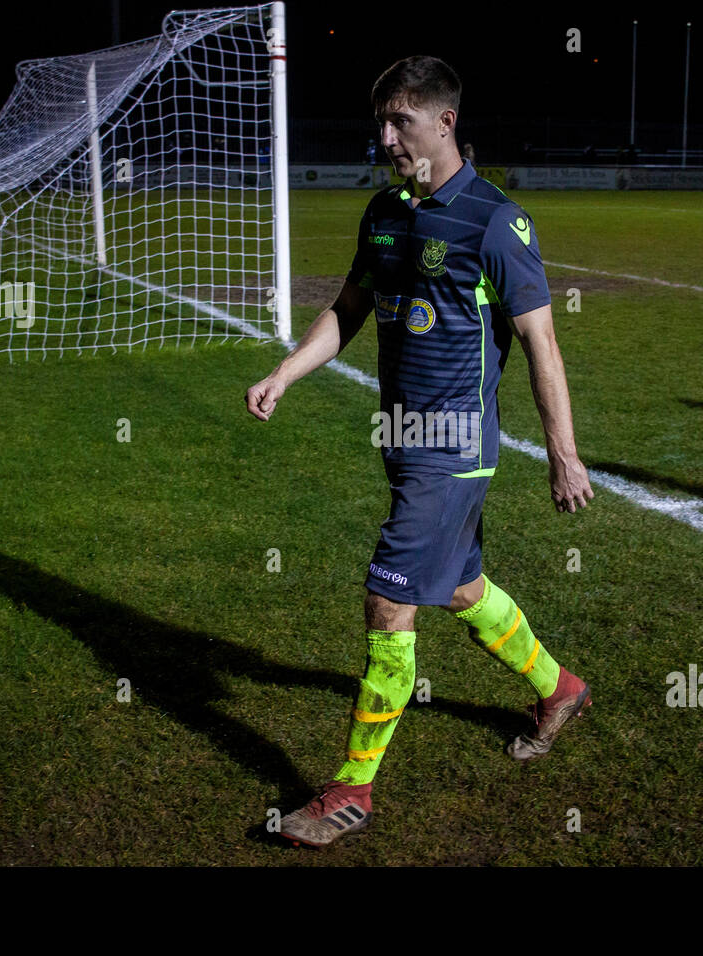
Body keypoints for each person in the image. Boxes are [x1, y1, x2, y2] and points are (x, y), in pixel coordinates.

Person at [245, 55, 594, 849]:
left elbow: (542, 344)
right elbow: (347, 310)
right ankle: (558, 687)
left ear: (446, 123)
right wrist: (285, 374)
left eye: (400, 121)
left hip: (454, 451)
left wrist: (563, 456)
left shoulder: (494, 222)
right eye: (381, 121)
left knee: (389, 600)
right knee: (464, 589)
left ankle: (351, 790)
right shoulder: (384, 211)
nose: (386, 136)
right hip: (402, 442)